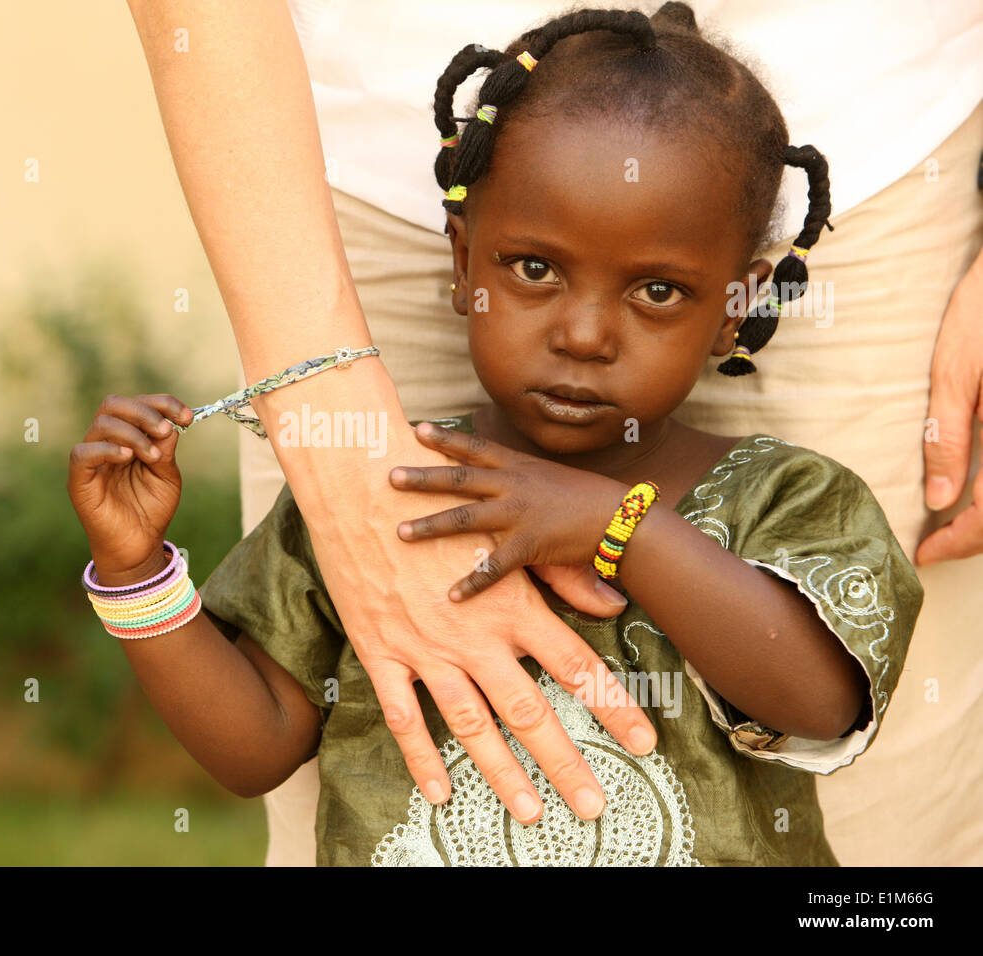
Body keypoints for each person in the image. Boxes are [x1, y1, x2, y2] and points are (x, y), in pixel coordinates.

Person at [125, 0, 983, 865]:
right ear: (463, 263)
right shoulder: (384, 487)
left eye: (655, 291)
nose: (583, 335)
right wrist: (137, 577)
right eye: (534, 270)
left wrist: (621, 529)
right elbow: (255, 748)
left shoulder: (791, 499)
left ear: (738, 308)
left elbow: (822, 705)